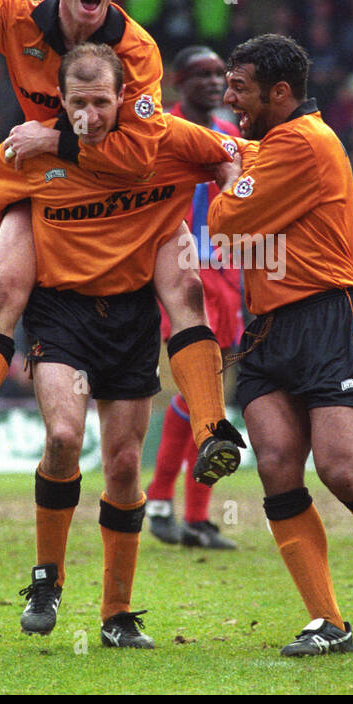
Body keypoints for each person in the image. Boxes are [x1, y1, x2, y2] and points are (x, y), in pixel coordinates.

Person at [0, 0, 238, 484]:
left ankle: (214, 431)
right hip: (42, 179)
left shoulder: (137, 50)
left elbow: (136, 157)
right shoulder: (15, 18)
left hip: (112, 170)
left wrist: (52, 136)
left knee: (186, 286)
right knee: (5, 286)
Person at [0, 44, 248, 649]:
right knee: (64, 436)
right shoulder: (22, 151)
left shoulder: (169, 139)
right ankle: (47, 579)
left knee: (123, 465)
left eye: (100, 102)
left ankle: (117, 614)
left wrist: (227, 210)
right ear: (58, 102)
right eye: (77, 104)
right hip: (60, 311)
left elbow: (236, 160)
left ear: (123, 97)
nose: (89, 115)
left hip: (130, 314)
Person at [207, 34, 353, 657]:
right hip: (268, 329)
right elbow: (239, 188)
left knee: (339, 468)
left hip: (328, 319)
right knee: (278, 465)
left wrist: (231, 171)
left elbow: (226, 224)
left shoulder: (304, 145)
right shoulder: (275, 142)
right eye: (227, 84)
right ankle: (327, 622)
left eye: (241, 88)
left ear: (281, 93)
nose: (230, 97)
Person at [146, 46, 244, 550]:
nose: (212, 83)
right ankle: (167, 501)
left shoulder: (231, 136)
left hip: (228, 276)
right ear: (179, 83)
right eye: (200, 75)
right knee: (192, 395)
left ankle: (187, 514)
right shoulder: (164, 130)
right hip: (181, 272)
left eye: (218, 75)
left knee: (211, 400)